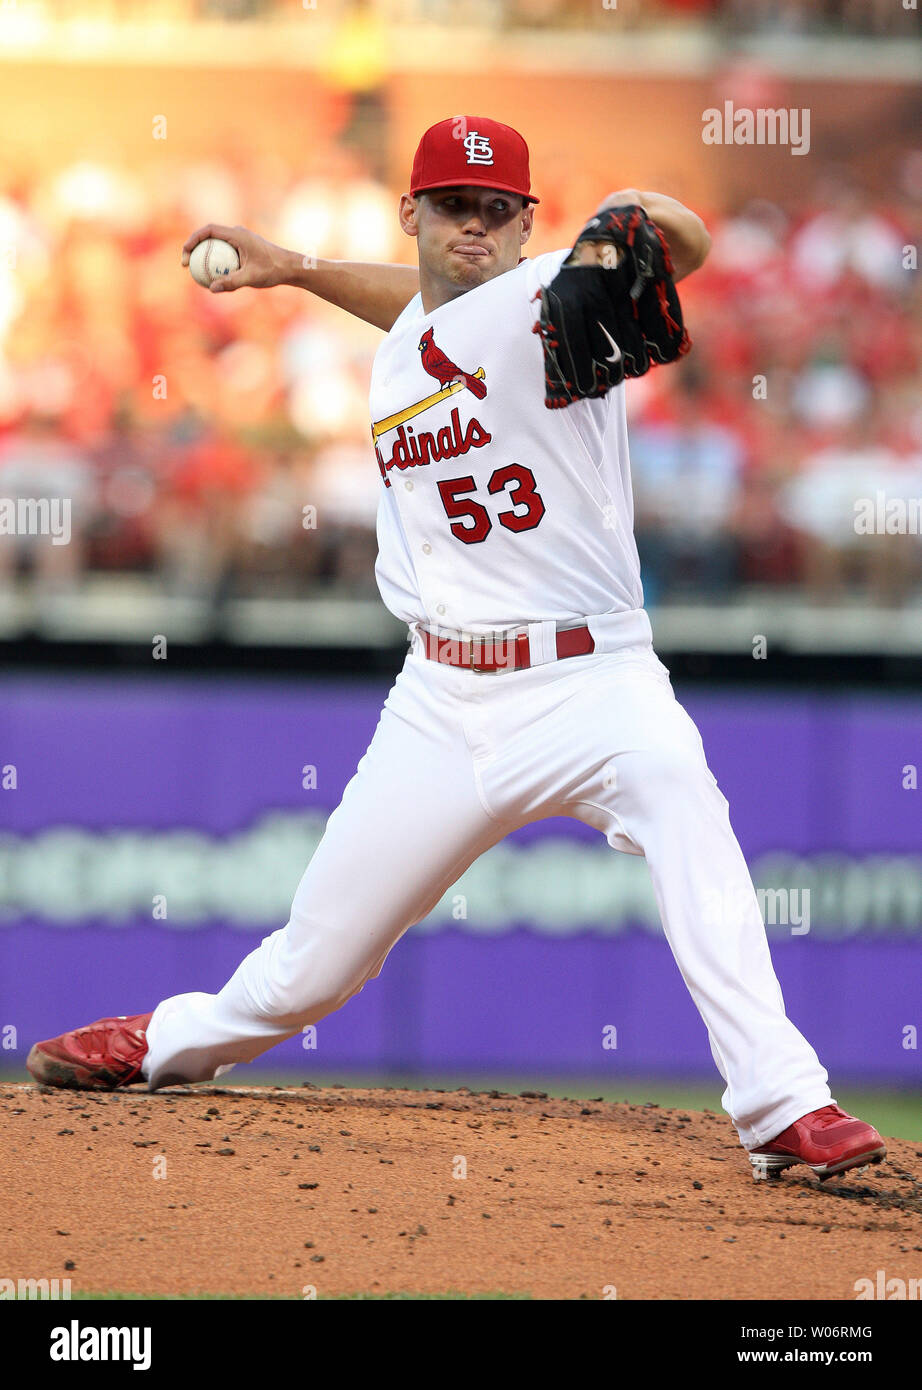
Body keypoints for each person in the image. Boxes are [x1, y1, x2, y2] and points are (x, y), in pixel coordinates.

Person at [28, 117, 885, 1183]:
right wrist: (292, 268)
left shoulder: (557, 301)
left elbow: (686, 242)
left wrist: (635, 211)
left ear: (528, 224)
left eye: (494, 210)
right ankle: (166, 1042)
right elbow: (426, 312)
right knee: (308, 971)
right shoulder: (413, 342)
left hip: (592, 678)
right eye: (450, 207)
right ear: (415, 215)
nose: (471, 227)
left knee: (686, 810)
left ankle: (781, 1101)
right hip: (439, 699)